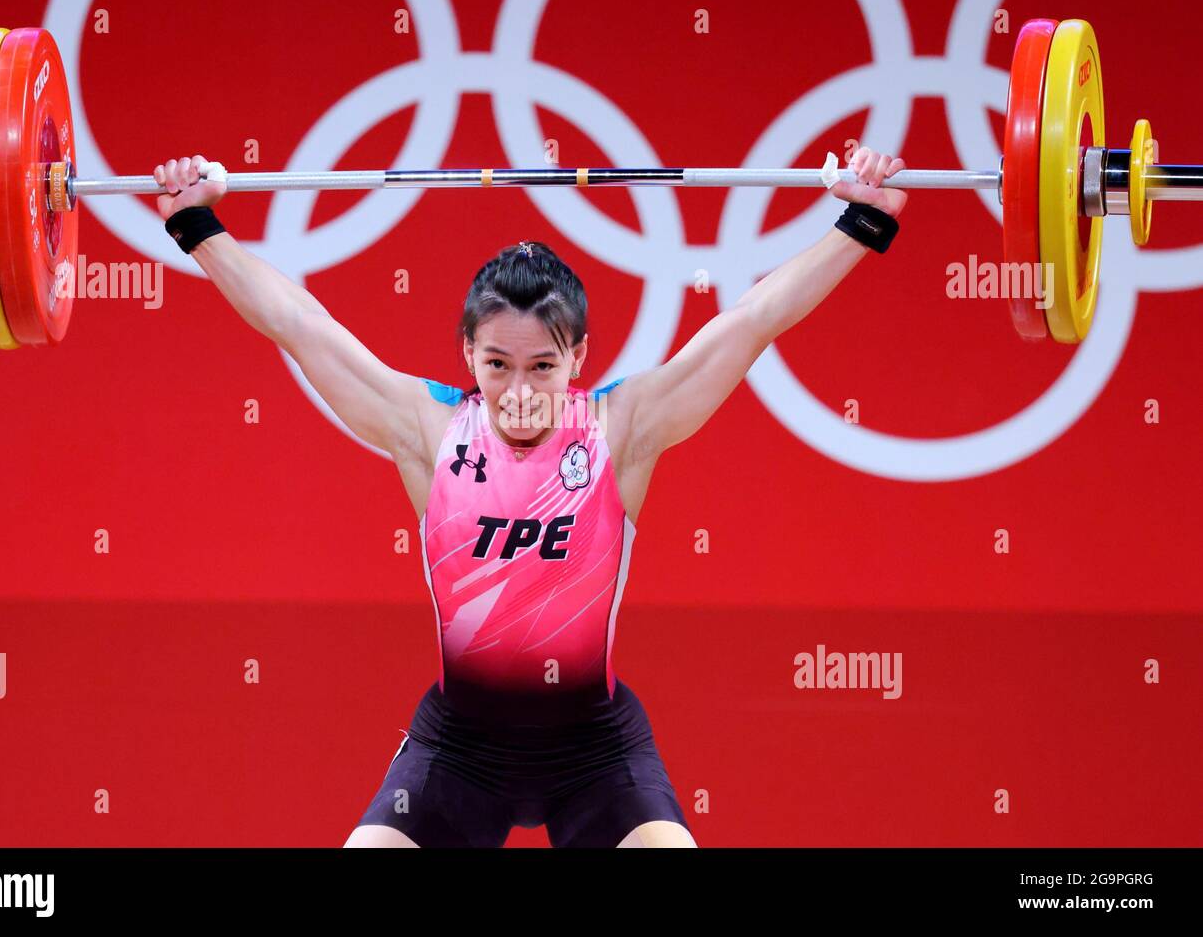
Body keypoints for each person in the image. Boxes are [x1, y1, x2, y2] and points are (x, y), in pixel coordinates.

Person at [152, 148, 908, 847]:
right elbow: (298, 324)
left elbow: (751, 321)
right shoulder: (428, 430)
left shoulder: (622, 430)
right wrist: (197, 223)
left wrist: (860, 220)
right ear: (467, 355)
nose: (518, 392)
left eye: (543, 366)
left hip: (595, 748)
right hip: (460, 748)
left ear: (578, 357)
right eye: (498, 364)